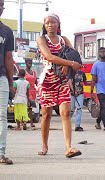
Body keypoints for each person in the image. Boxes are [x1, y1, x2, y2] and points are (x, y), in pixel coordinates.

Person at [37, 13, 82, 158]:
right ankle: (44, 145)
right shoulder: (41, 39)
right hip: (47, 81)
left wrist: (69, 67)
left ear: (59, 24)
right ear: (44, 25)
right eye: (48, 23)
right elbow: (49, 56)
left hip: (62, 80)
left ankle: (68, 148)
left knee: (65, 113)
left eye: (53, 22)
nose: (50, 25)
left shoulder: (64, 40)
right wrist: (69, 64)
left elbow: (74, 55)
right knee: (46, 115)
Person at [0, 0, 14, 164]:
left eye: (2, 4)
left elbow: (8, 58)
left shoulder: (7, 31)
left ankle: (1, 152)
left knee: (2, 116)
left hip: (1, 78)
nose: (0, 7)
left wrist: (11, 83)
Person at [24, 58, 37, 128]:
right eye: (29, 63)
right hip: (26, 91)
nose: (30, 65)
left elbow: (36, 82)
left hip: (33, 92)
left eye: (31, 63)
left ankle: (31, 123)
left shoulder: (34, 73)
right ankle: (25, 123)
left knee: (31, 108)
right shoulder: (24, 72)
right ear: (26, 63)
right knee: (25, 107)